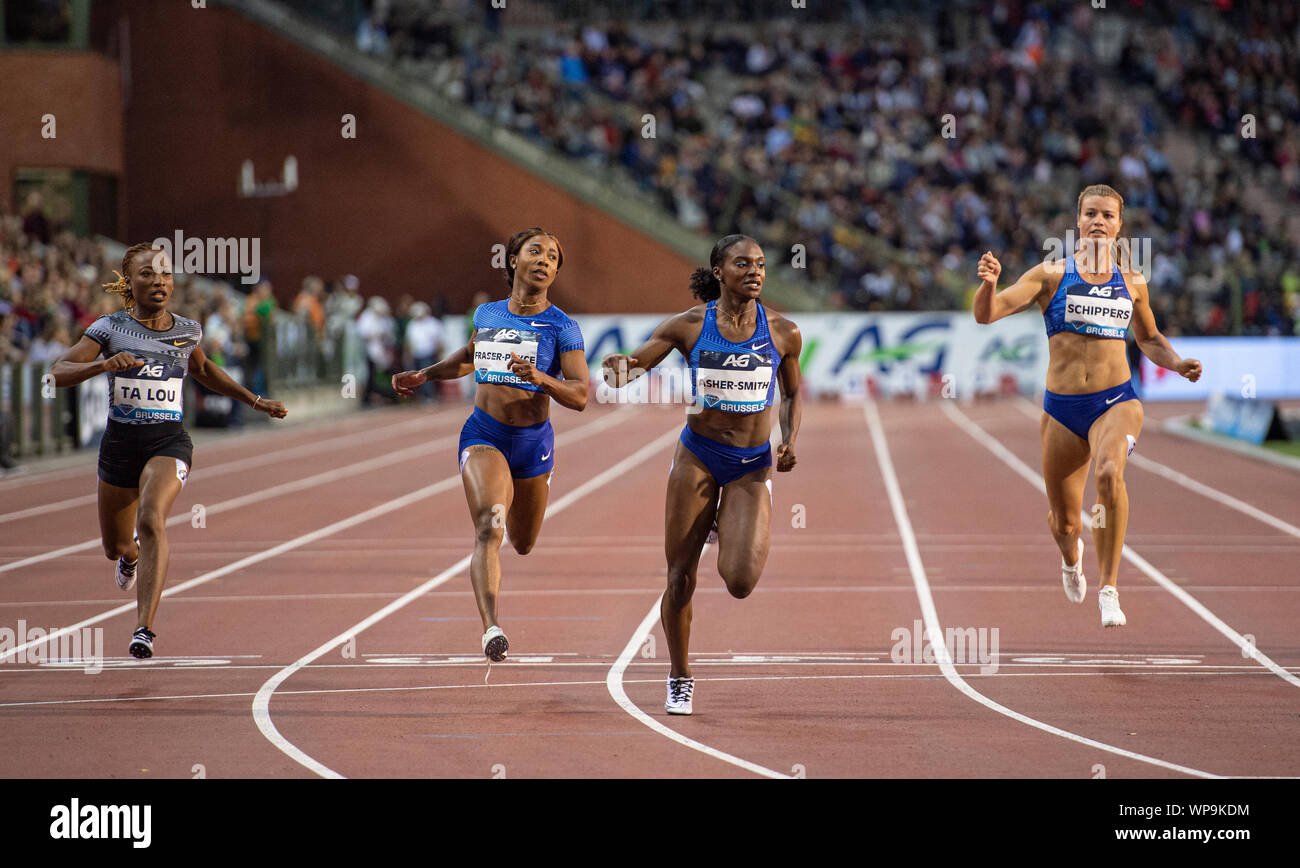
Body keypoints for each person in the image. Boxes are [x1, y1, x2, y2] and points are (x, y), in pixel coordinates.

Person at [973, 184, 1202, 627]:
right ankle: (1071, 559)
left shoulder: (1132, 283)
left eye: (1108, 216)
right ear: (1077, 222)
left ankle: (1110, 588)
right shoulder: (1051, 276)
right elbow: (988, 315)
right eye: (1091, 214)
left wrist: (1177, 364)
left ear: (1119, 226)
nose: (1099, 221)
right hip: (1062, 410)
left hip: (1116, 400)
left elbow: (1149, 338)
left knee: (1110, 473)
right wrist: (988, 285)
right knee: (1065, 524)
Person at [48, 243, 287, 657]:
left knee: (152, 517)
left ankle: (144, 629)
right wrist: (102, 365)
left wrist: (255, 401)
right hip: (120, 445)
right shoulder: (107, 329)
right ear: (130, 282)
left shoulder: (187, 330)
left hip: (168, 441)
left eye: (165, 274)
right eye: (147, 274)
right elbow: (57, 373)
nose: (159, 281)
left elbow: (205, 371)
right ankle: (130, 556)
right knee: (115, 546)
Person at [601, 234, 802, 715]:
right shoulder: (688, 327)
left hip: (751, 465)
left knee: (738, 581)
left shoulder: (783, 332)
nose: (754, 271)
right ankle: (679, 675)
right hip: (698, 456)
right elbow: (634, 367)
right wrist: (618, 370)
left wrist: (790, 440)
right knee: (680, 576)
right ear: (718, 271)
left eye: (760, 264)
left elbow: (792, 394)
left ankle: (726, 520)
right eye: (742, 263)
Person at [392, 228, 588, 662]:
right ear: (512, 260)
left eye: (553, 257)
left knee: (523, 542)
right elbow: (467, 357)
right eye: (535, 252)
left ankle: (536, 487)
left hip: (533, 442)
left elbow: (580, 395)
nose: (545, 261)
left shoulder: (562, 327)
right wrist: (425, 374)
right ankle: (492, 627)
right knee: (488, 528)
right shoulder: (487, 314)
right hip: (485, 435)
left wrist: (540, 378)